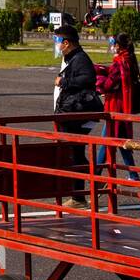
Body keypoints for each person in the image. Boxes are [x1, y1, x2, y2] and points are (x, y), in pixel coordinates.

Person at [52, 23, 104, 208]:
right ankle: (83, 191)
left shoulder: (80, 58)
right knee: (75, 154)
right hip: (70, 113)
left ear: (66, 43)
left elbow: (88, 78)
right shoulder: (71, 58)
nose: (57, 45)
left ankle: (81, 193)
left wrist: (64, 81)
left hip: (77, 114)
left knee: (75, 154)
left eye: (58, 41)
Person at [94, 38, 140, 182]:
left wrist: (98, 80)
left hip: (116, 106)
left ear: (119, 46)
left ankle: (95, 174)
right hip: (123, 107)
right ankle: (133, 175)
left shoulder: (119, 62)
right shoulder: (129, 60)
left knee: (105, 140)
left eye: (114, 44)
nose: (112, 47)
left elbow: (108, 84)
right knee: (121, 142)